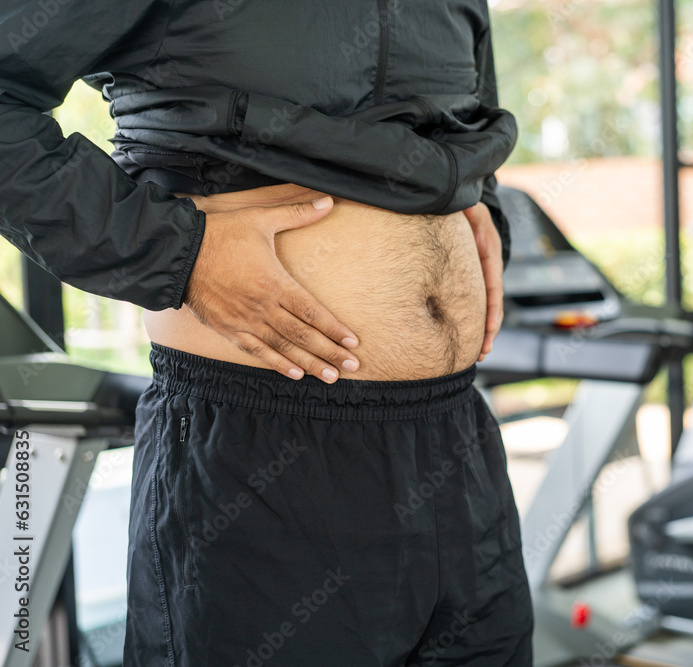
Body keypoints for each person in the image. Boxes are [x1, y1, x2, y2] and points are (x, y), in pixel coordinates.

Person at [0, 2, 533, 665]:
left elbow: (468, 125)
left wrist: (478, 200)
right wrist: (177, 252)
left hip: (460, 447)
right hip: (263, 448)